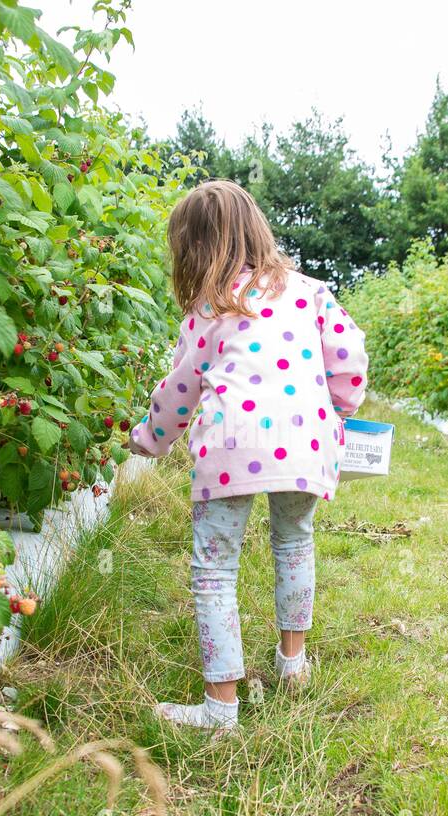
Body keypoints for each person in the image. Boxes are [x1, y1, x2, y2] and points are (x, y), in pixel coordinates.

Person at [128, 180, 368, 730]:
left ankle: (221, 707)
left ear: (192, 249)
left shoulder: (207, 309)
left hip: (230, 443)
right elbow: (349, 356)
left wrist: (148, 439)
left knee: (214, 568)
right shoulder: (310, 292)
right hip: (304, 443)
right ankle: (293, 664)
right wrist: (340, 404)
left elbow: (179, 390)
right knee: (293, 541)